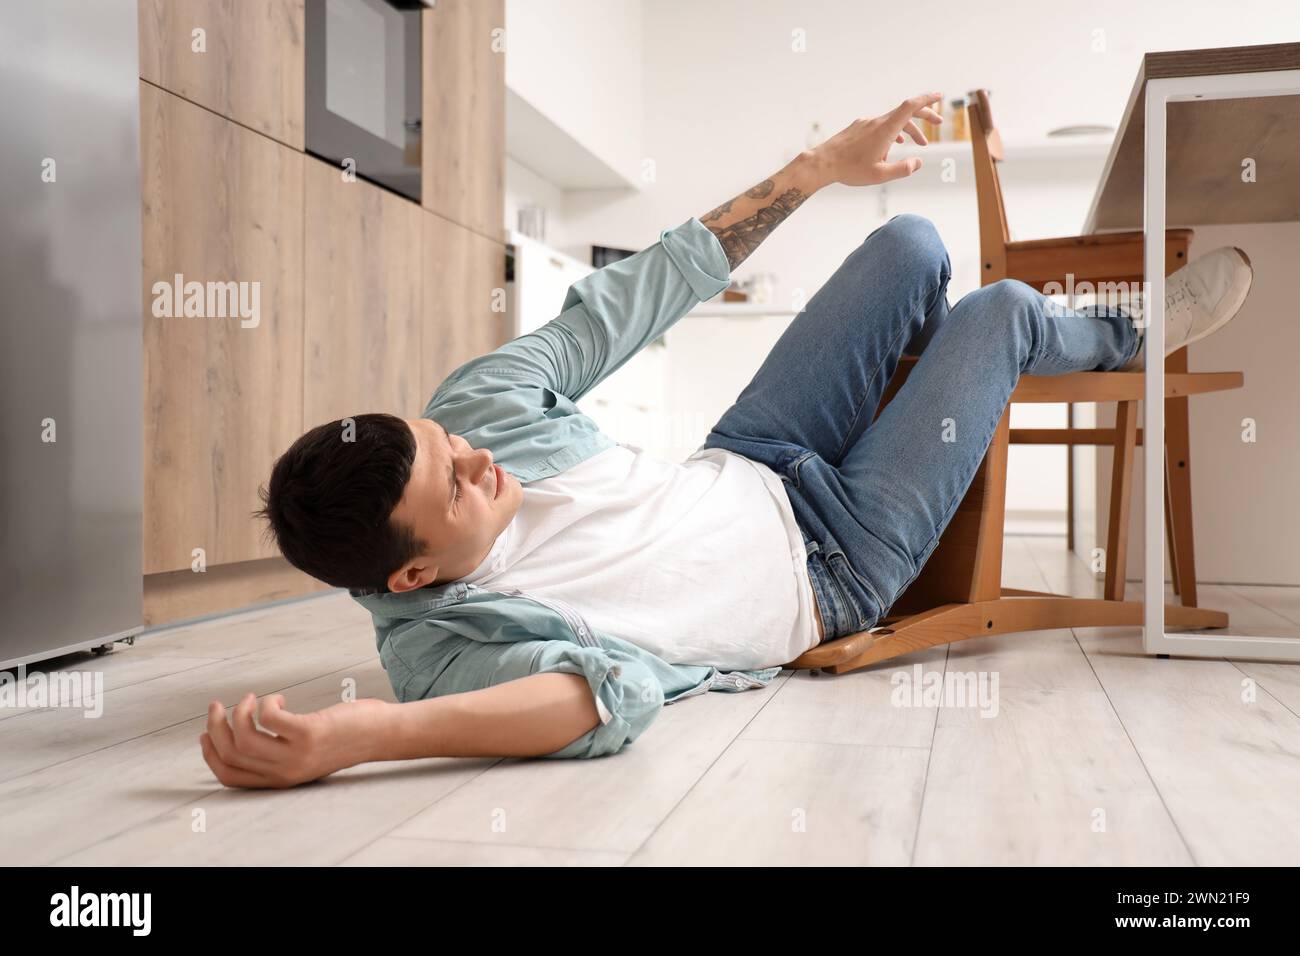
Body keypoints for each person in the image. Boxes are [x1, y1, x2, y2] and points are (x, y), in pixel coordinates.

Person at [199, 93, 1253, 789]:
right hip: (831, 565)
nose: (479, 455)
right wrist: (357, 735)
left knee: (908, 240)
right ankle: (1132, 332)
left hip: (751, 454)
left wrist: (822, 164)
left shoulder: (482, 408)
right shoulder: (438, 653)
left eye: (445, 440)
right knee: (1003, 311)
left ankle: (937, 395)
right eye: (458, 483)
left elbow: (643, 289)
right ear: (417, 567)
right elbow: (609, 698)